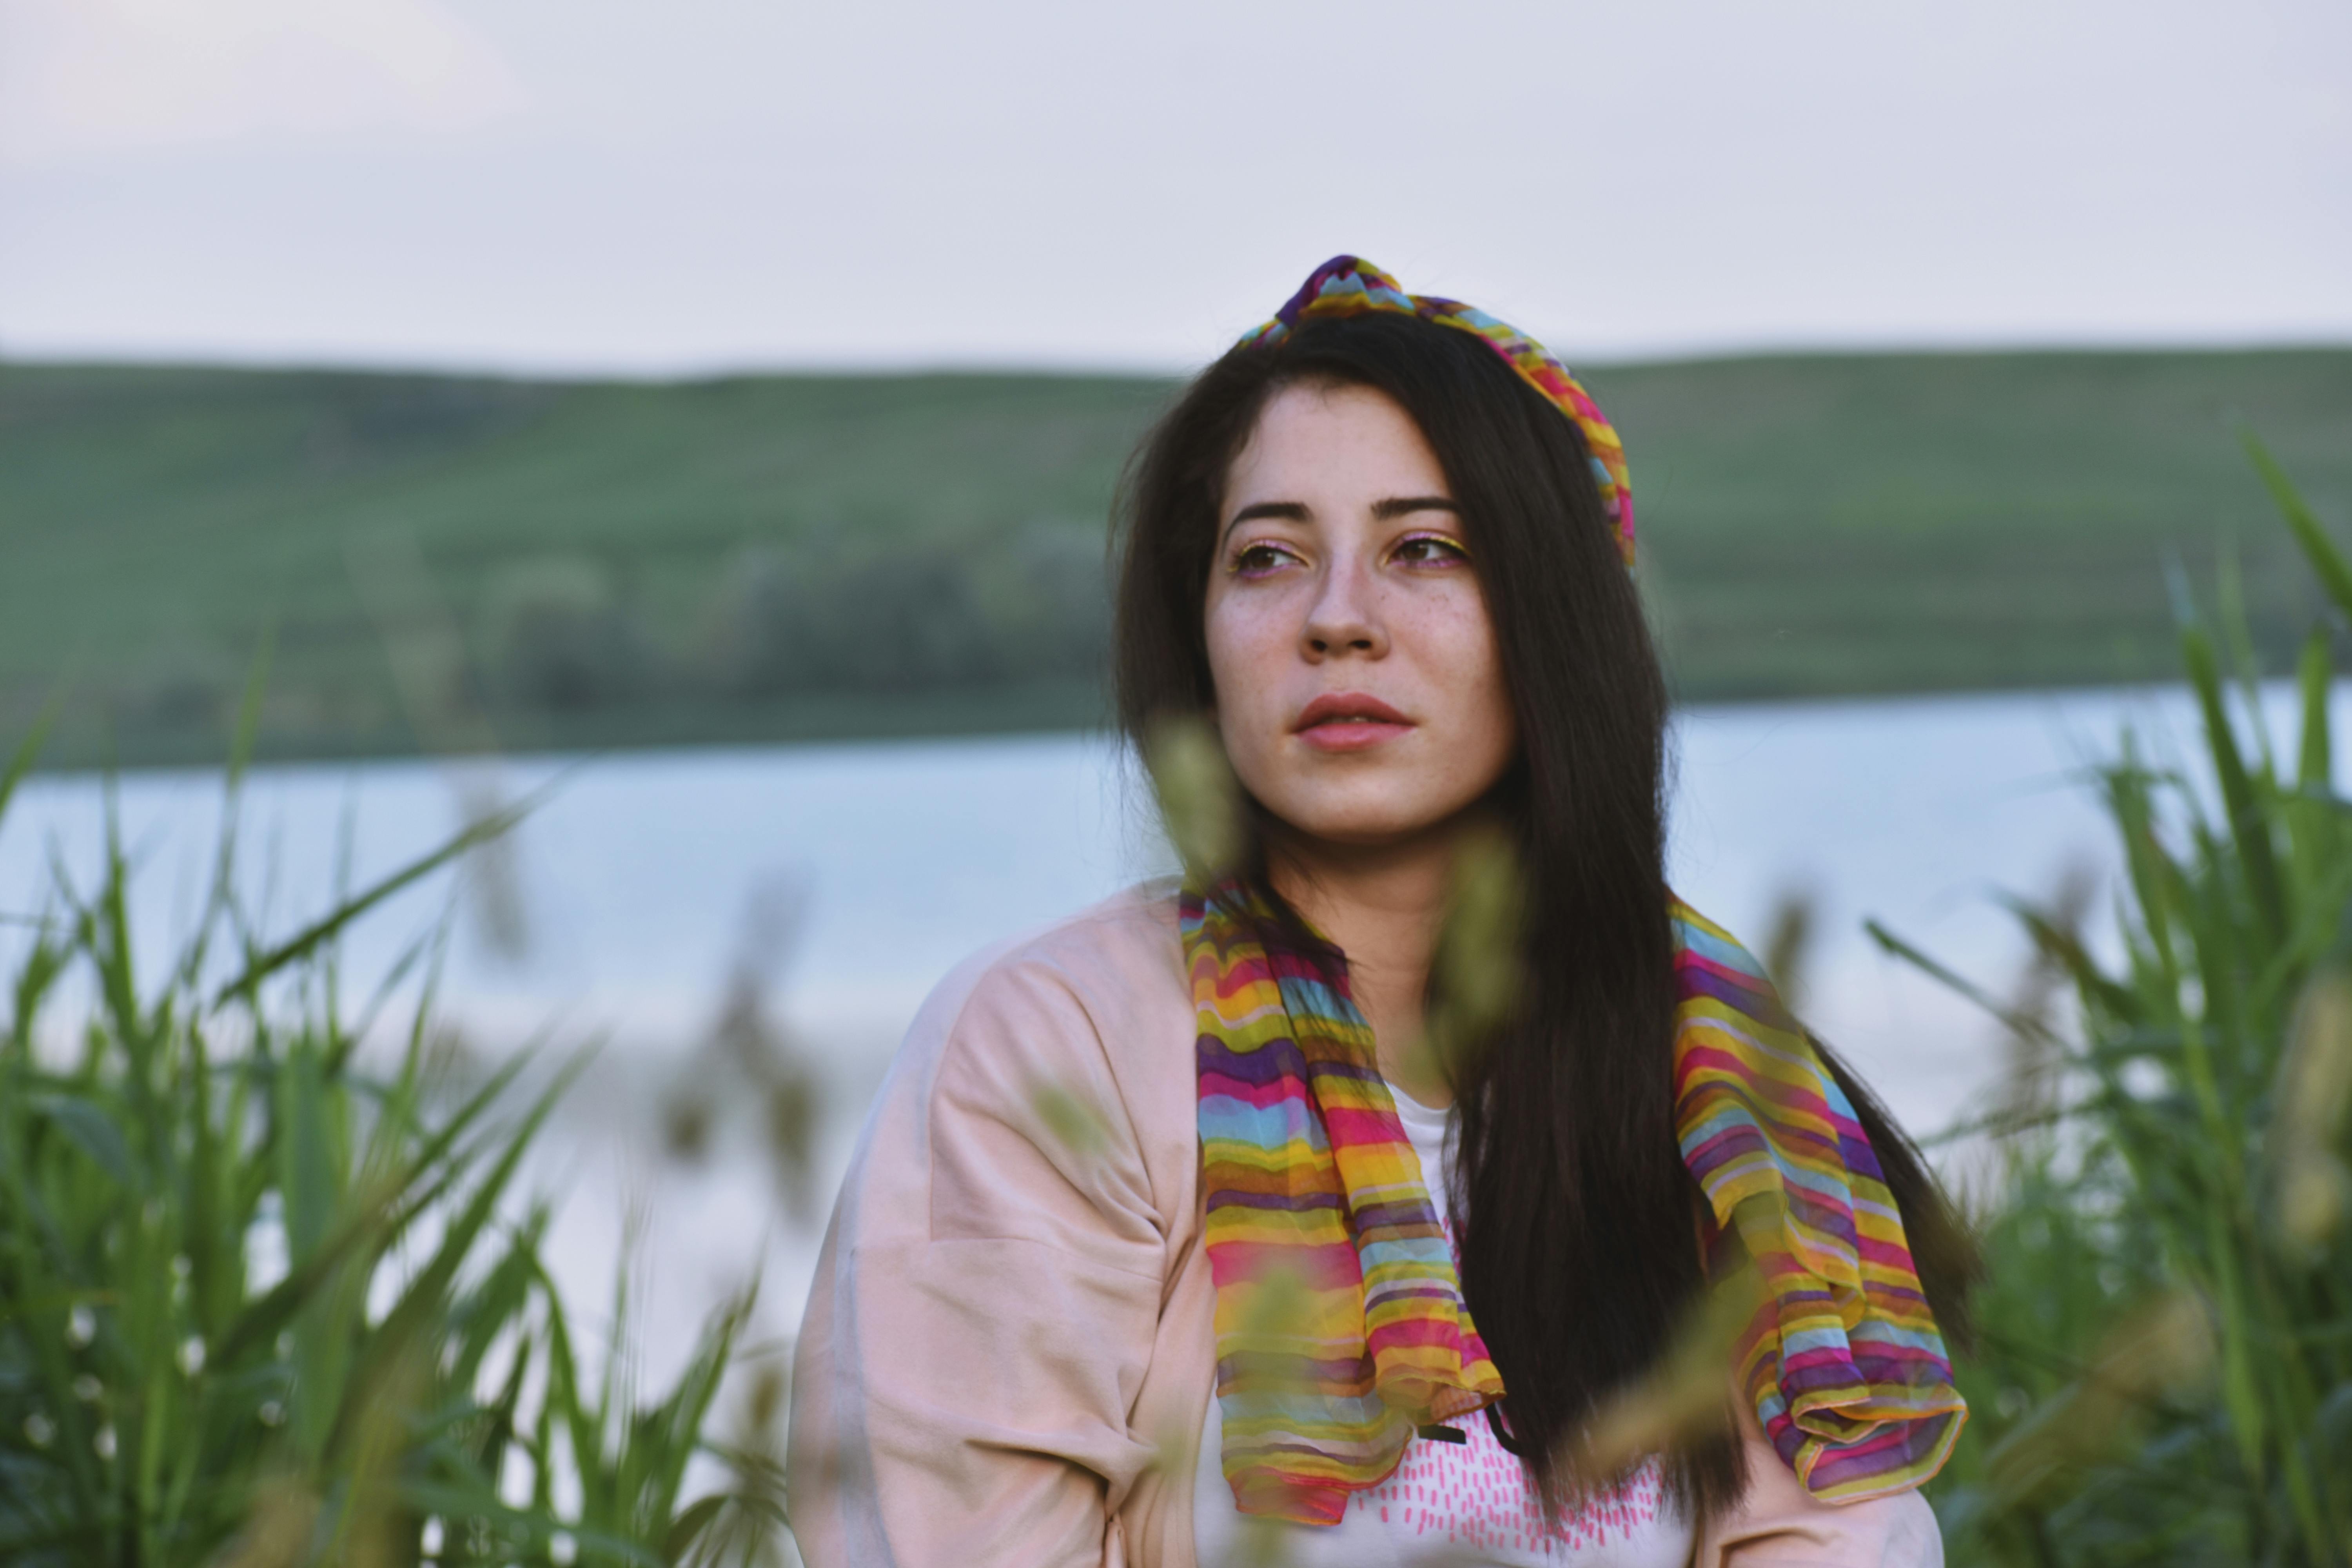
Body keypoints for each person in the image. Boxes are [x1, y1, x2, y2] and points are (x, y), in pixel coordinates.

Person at [788, 257, 1976, 1566]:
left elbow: (1830, 1534)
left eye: (1425, 549)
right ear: (1202, 638)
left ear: (1554, 624)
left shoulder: (1712, 1084)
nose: (1337, 619)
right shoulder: (1050, 1049)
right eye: (1268, 558)